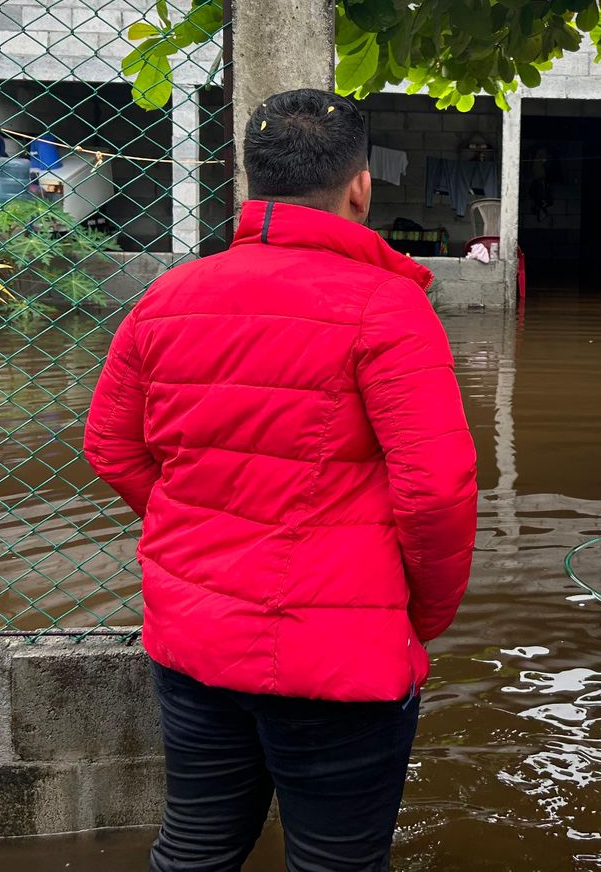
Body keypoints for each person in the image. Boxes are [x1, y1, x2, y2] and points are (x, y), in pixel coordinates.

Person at [85, 88, 477, 872]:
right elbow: (436, 488)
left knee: (195, 848)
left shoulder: (167, 299)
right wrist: (418, 612)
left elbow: (109, 448)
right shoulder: (389, 308)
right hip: (343, 655)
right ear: (360, 185)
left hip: (195, 637)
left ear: (247, 178)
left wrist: (192, 535)